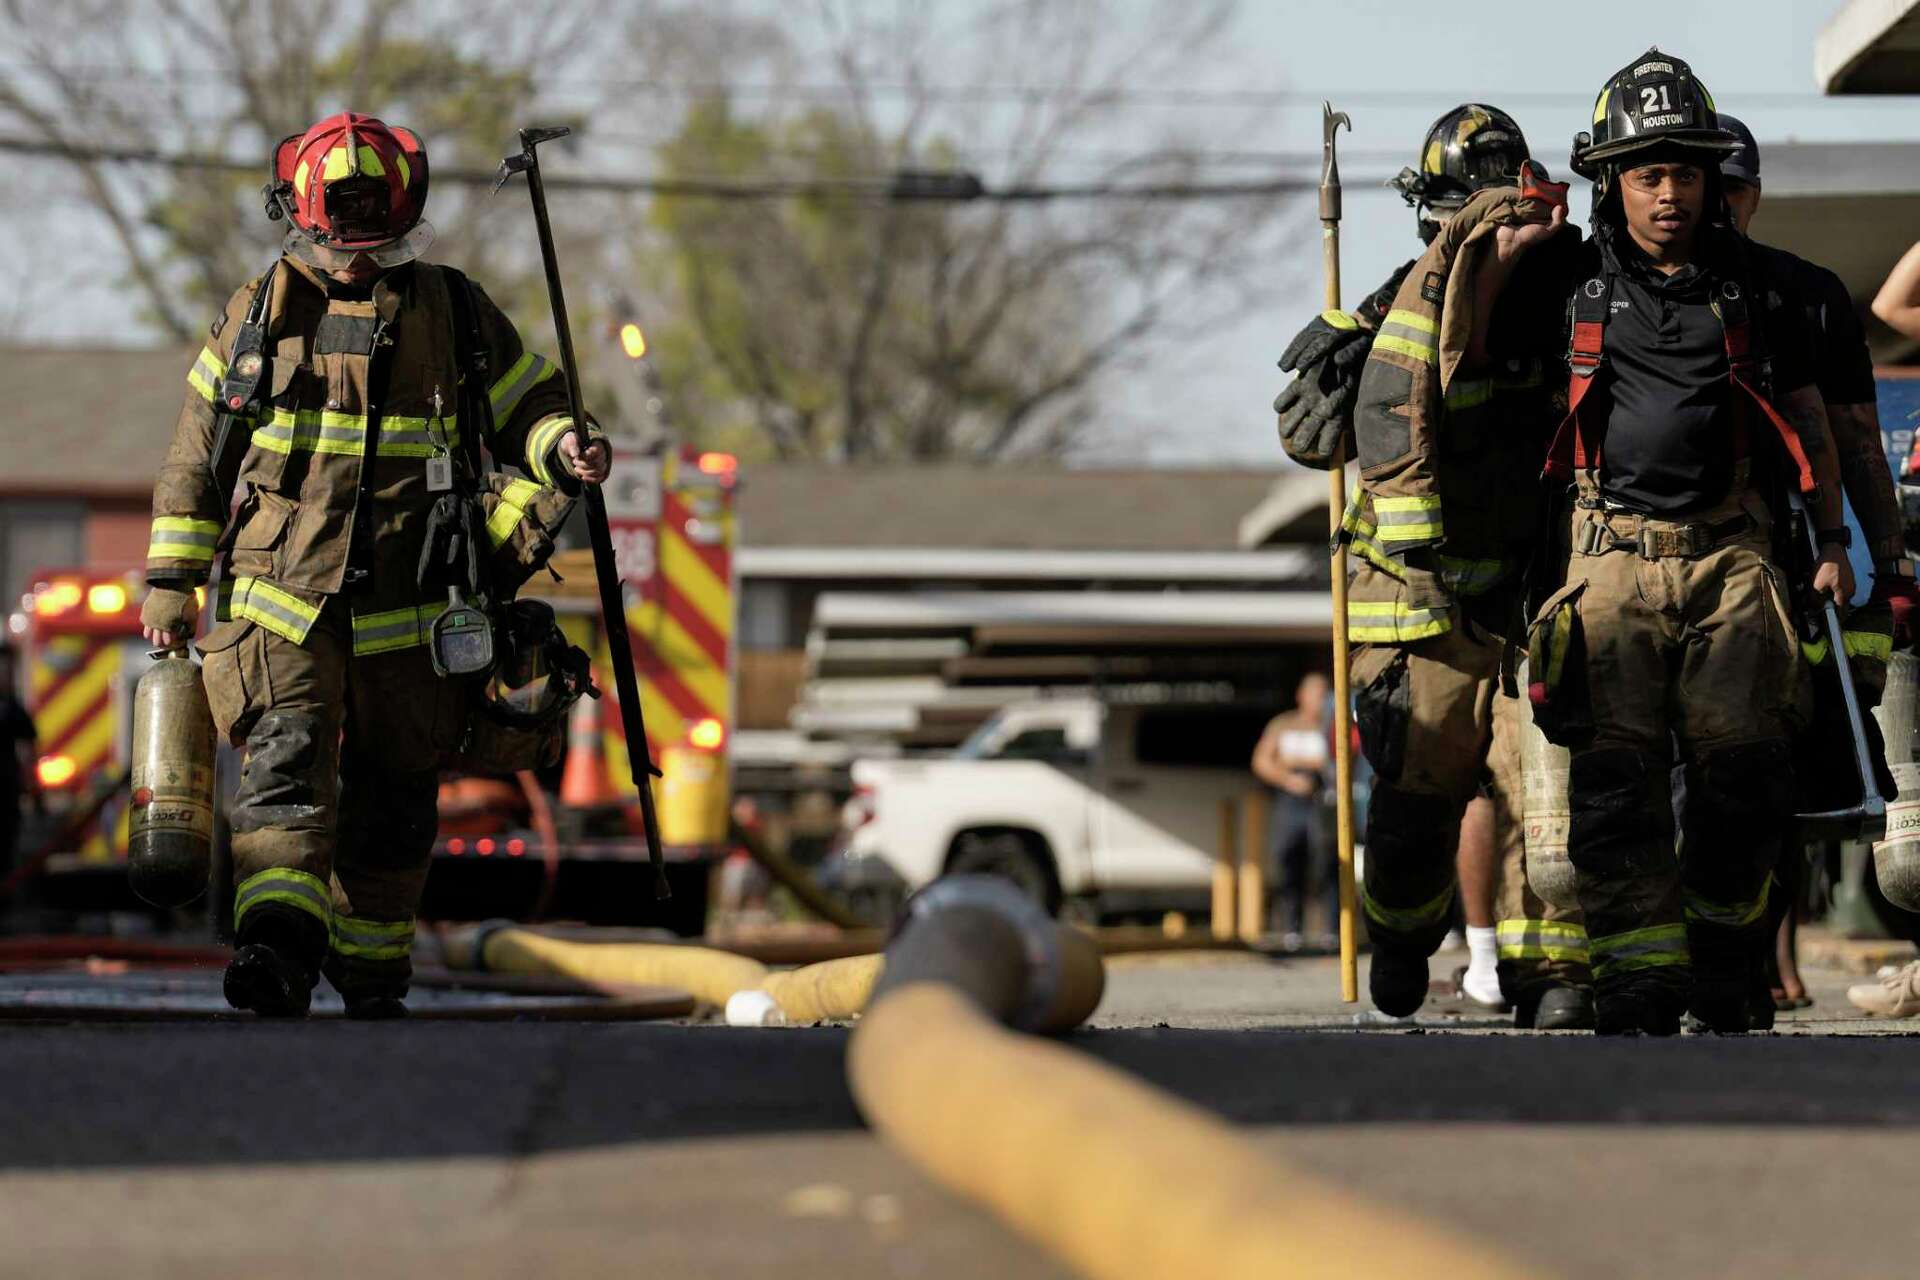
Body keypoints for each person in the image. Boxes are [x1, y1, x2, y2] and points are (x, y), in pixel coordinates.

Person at [139, 112, 610, 1018]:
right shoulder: (259, 314)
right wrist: (171, 583)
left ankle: (372, 975)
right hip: (280, 601)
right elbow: (196, 458)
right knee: (285, 770)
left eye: (380, 247)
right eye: (341, 246)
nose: (359, 263)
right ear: (302, 223)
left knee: (396, 797)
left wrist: (567, 446)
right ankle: (276, 950)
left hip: (416, 609)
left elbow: (532, 404)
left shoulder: (454, 311)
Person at [1480, 50, 1854, 1035]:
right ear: (1611, 180)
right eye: (1648, 174)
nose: (1670, 195)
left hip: (1734, 556)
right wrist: (1495, 248)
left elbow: (1810, 424)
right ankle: (1639, 981)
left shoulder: (1762, 287)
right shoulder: (1562, 279)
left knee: (1745, 774)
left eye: (1685, 172)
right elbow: (1467, 361)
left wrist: (1833, 539)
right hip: (1605, 558)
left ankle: (1725, 962)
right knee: (1616, 786)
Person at [1326, 105, 1593, 1029]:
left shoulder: (1574, 289)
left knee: (1538, 790)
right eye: (1471, 217)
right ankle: (1401, 937)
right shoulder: (1399, 305)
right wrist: (1335, 364)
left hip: (1532, 586)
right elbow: (1313, 437)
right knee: (1422, 788)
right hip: (1420, 594)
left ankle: (1547, 972)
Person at [1716, 115, 1915, 1018]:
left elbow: (1857, 441)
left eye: (1732, 187)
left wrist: (1886, 563)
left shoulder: (1806, 293)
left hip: (1796, 569)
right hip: (1659, 575)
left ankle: (1762, 960)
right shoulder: (1612, 289)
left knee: (1781, 769)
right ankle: (1704, 962)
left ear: (1755, 195)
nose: (1715, 204)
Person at [1250, 672, 1336, 948]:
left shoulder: (1332, 725)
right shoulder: (1284, 724)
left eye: (1324, 695)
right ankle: (1292, 927)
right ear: (1301, 696)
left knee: (1326, 861)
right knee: (1288, 857)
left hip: (1323, 800)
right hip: (1291, 800)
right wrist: (1287, 778)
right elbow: (1262, 760)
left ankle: (1332, 929)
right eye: (1314, 694)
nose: (1319, 701)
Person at [0, 645, 38, 902]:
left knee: (6, 848)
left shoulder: (12, 708)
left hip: (6, 793)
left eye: (7, 670)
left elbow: (29, 746)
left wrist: (34, 790)